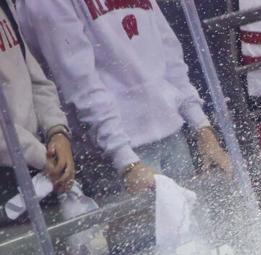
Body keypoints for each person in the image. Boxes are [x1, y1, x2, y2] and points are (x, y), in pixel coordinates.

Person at [16, 0, 230, 194]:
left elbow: (169, 54)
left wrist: (202, 127)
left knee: (198, 232)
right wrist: (125, 161)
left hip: (172, 135)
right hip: (114, 154)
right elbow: (79, 84)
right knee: (149, 236)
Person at [0, 0, 74, 207]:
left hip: (40, 168)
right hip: (15, 173)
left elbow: (37, 81)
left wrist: (57, 132)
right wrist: (42, 156)